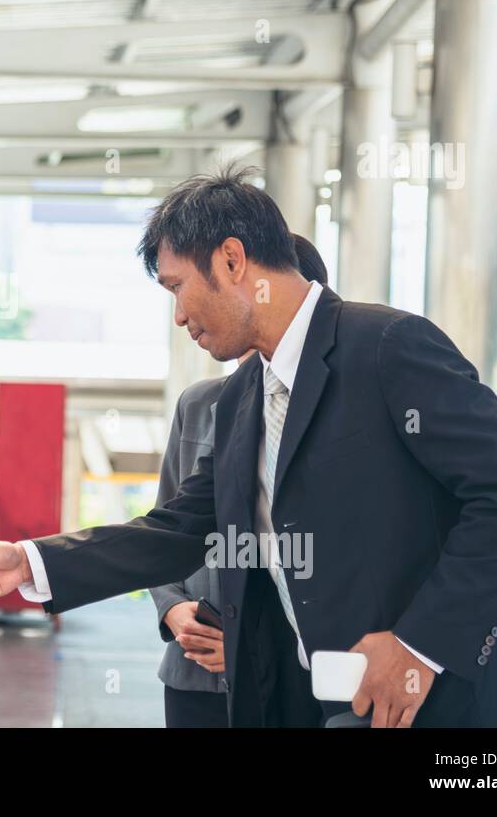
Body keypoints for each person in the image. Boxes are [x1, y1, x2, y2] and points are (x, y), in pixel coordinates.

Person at [0, 165, 497, 729]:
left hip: (447, 701)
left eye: (178, 287)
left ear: (232, 260)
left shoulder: (386, 347)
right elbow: (176, 532)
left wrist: (418, 644)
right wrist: (28, 561)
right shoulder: (241, 402)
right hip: (320, 703)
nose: (178, 316)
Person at [153, 233, 328, 728]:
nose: (184, 318)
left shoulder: (344, 396)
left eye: (180, 289)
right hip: (193, 671)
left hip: (291, 673)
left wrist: (254, 642)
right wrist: (173, 611)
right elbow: (168, 525)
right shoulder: (206, 405)